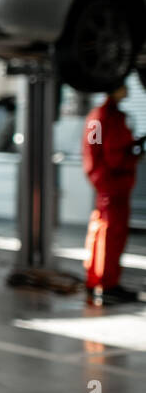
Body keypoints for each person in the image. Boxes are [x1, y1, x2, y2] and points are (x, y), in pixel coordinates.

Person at [82, 81, 143, 306]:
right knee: (111, 234)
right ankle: (107, 285)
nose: (127, 90)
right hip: (112, 183)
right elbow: (107, 152)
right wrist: (132, 153)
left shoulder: (104, 116)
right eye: (123, 86)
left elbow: (99, 148)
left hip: (109, 183)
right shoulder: (105, 117)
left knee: (102, 231)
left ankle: (96, 280)